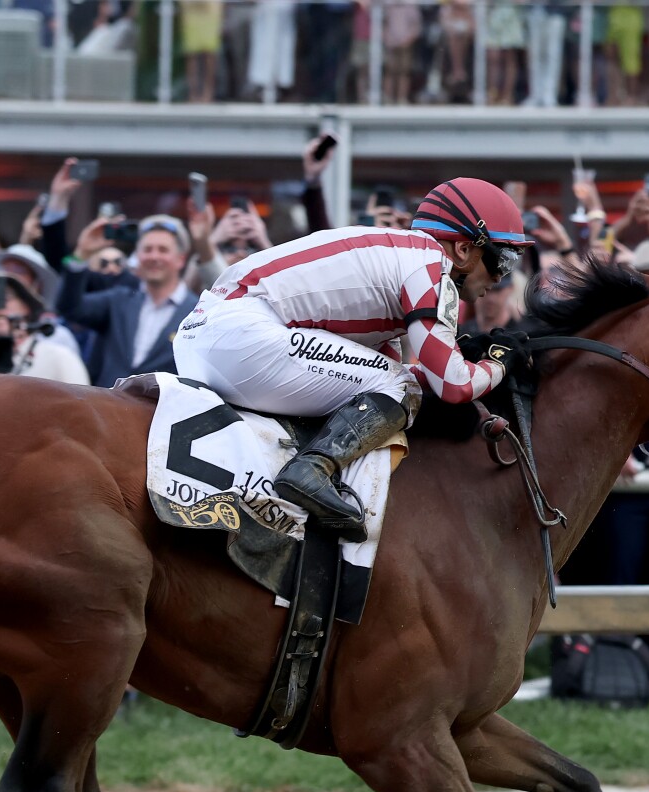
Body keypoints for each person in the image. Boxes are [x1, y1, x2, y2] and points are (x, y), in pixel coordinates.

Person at [174, 178, 534, 541]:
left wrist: (460, 362)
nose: (501, 278)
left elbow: (384, 378)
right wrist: (499, 363)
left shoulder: (399, 258)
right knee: (401, 386)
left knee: (396, 382)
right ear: (463, 249)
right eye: (503, 260)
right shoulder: (430, 267)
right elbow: (454, 387)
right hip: (240, 335)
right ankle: (312, 470)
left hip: (206, 336)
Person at [59, 215, 198, 387]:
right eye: (147, 249)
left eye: (163, 250)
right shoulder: (118, 300)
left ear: (181, 259)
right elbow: (70, 308)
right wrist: (81, 255)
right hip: (107, 408)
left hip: (165, 411)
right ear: (138, 256)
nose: (154, 256)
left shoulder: (198, 313)